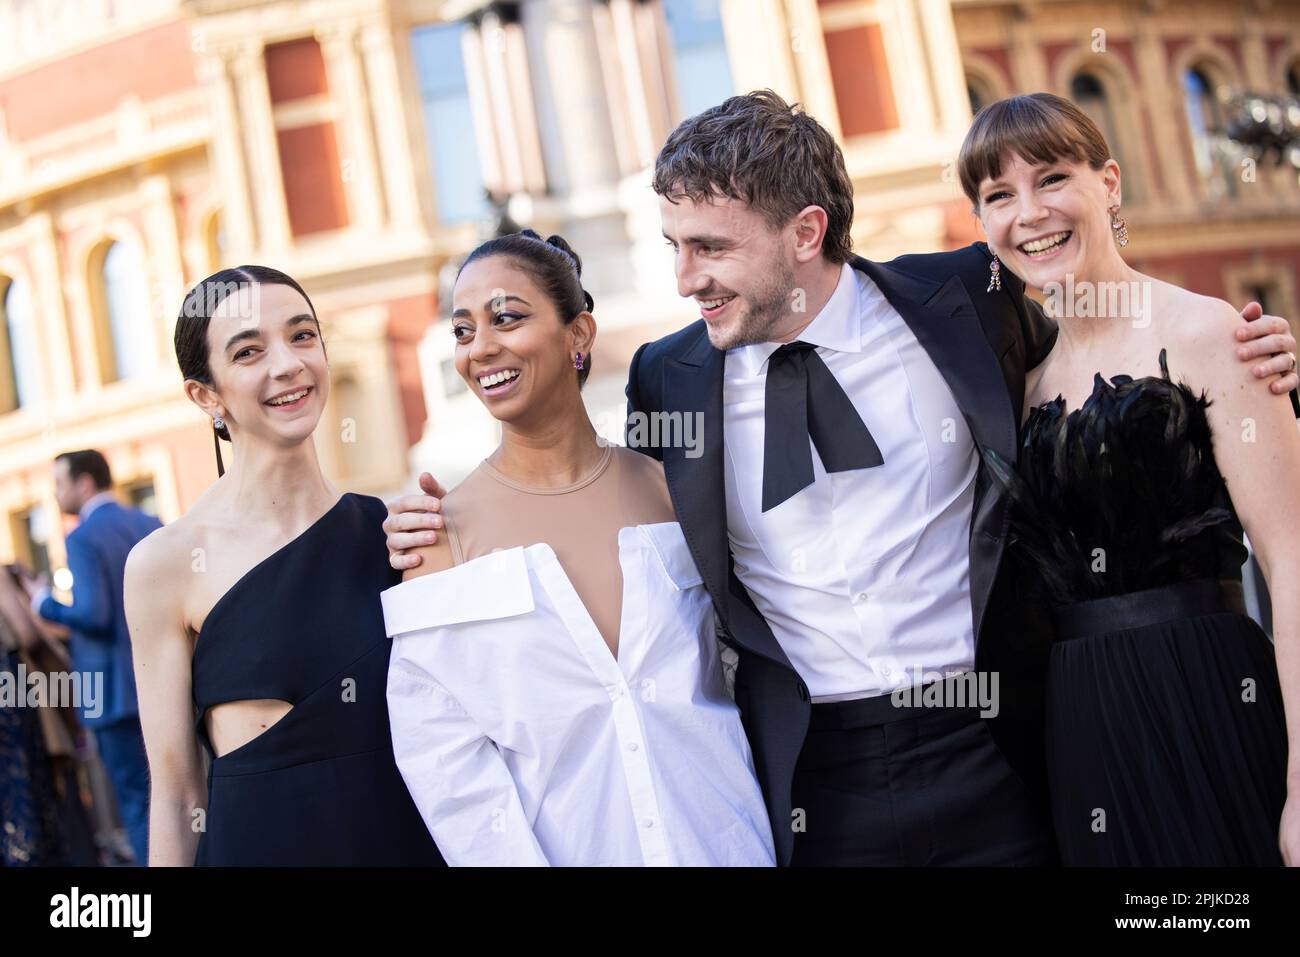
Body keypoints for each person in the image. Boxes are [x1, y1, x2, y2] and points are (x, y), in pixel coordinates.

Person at [385, 91, 1299, 866]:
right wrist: (451, 520)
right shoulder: (674, 377)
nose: (683, 279)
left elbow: (1112, 356)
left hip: (1007, 745)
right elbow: (599, 493)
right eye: (673, 245)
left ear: (806, 231)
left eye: (708, 247)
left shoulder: (966, 302)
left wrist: (1246, 354)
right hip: (817, 784)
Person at [959, 92, 1299, 865]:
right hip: (1084, 735)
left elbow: (1293, 559)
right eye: (999, 195)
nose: (1030, 213)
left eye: (1051, 178)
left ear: (1109, 183)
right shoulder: (1022, 383)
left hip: (1213, 703)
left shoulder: (1215, 334)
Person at [383, 230, 774, 866]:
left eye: (506, 318)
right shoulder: (437, 540)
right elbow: (449, 770)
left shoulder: (676, 496)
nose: (481, 347)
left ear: (579, 335)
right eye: (462, 330)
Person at [123, 266, 443, 866]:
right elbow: (177, 792)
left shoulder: (391, 533)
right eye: (249, 351)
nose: (288, 364)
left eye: (302, 336)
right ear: (206, 395)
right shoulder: (164, 565)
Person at [25, 449, 158, 865]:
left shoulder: (81, 537)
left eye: (60, 482)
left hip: (113, 696)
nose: (56, 492)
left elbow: (93, 613)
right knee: (183, 797)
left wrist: (44, 603)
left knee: (137, 805)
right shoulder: (148, 523)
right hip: (162, 683)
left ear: (84, 483)